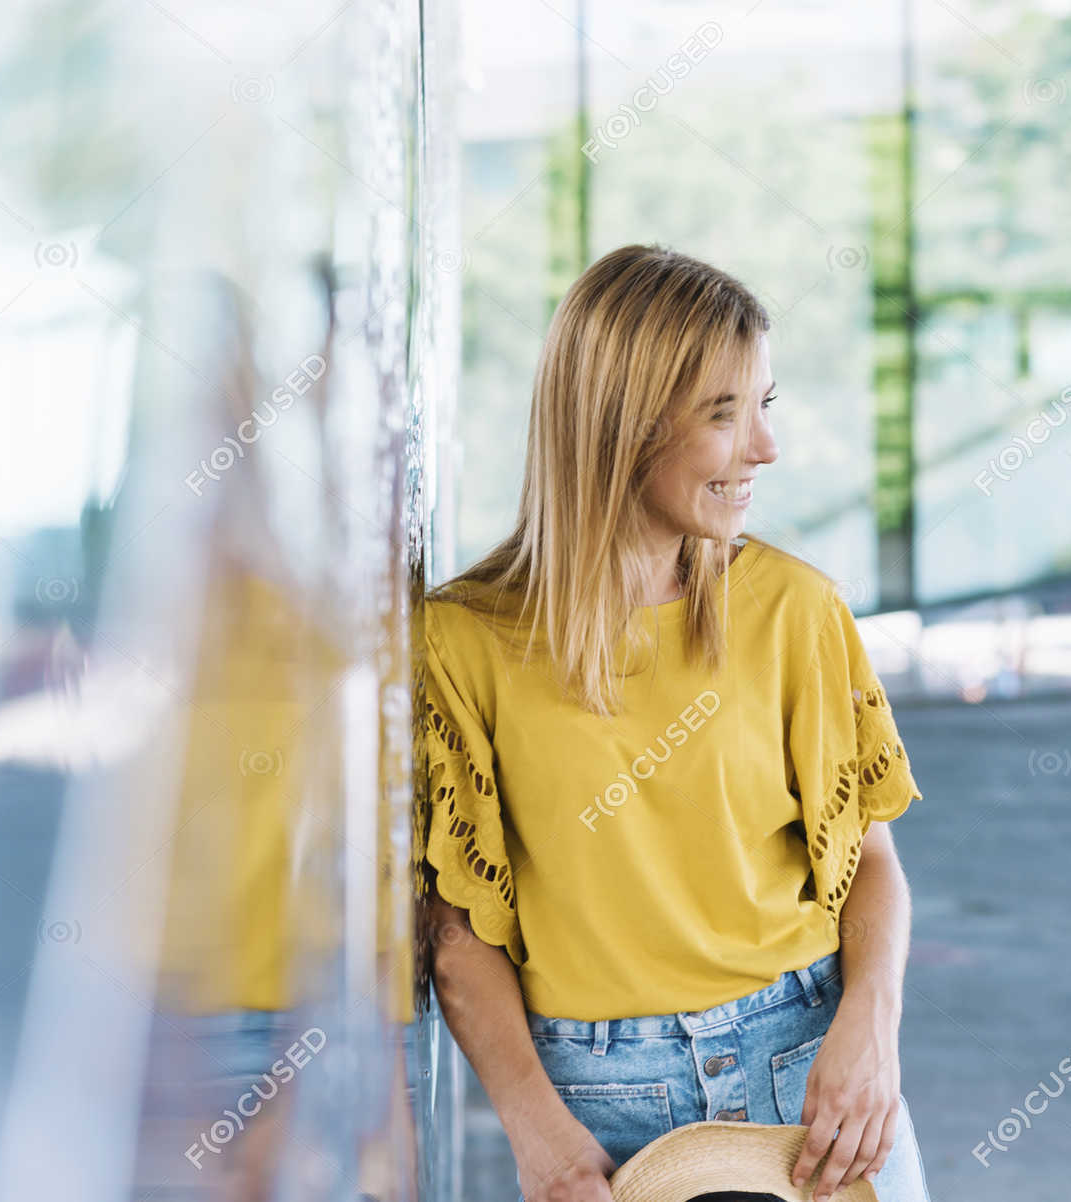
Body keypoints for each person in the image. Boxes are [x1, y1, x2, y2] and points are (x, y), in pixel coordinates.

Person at [416, 244, 933, 1202]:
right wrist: (541, 1136)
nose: (765, 449)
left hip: (810, 1069)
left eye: (764, 406)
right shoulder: (462, 641)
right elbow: (456, 933)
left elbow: (869, 855)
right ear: (622, 426)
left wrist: (871, 1023)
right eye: (724, 414)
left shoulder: (796, 608)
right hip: (596, 1104)